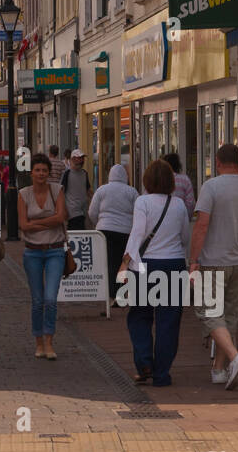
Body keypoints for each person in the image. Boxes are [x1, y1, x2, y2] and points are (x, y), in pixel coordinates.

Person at [189, 144, 238, 390]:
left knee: (208, 311)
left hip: (212, 261)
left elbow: (201, 225)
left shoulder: (211, 187)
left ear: (218, 162)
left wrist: (193, 261)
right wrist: (237, 235)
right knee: (229, 314)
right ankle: (219, 370)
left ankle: (234, 356)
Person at [119, 159, 191, 388]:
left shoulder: (142, 202)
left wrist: (124, 262)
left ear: (147, 180)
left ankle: (144, 362)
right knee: (168, 321)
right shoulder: (179, 204)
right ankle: (162, 374)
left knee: (139, 316)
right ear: (171, 181)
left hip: (144, 265)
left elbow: (137, 233)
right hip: (173, 264)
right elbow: (185, 237)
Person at [17, 153, 68, 360]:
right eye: (37, 170)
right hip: (32, 252)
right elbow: (22, 225)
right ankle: (38, 341)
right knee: (37, 300)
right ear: (31, 173)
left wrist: (34, 224)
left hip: (55, 249)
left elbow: (60, 217)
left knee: (50, 298)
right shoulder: (23, 194)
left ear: (49, 173)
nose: (41, 174)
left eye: (44, 170)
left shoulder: (57, 190)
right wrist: (49, 220)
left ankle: (49, 341)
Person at [89, 163, 138, 306]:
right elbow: (139, 212)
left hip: (105, 231)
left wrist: (98, 224)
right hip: (125, 232)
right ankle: (123, 293)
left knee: (109, 262)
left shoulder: (101, 190)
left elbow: (92, 212)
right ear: (125, 176)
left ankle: (111, 294)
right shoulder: (132, 191)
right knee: (124, 263)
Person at [60, 149, 93, 229]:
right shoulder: (67, 174)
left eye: (82, 158)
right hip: (72, 211)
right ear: (72, 159)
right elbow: (61, 192)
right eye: (79, 158)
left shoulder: (84, 173)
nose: (81, 160)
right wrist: (63, 209)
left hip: (84, 210)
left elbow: (88, 190)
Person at [163, 153, 196, 218]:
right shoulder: (185, 180)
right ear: (178, 165)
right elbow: (190, 204)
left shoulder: (157, 179)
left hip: (159, 221)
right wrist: (186, 219)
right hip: (179, 220)